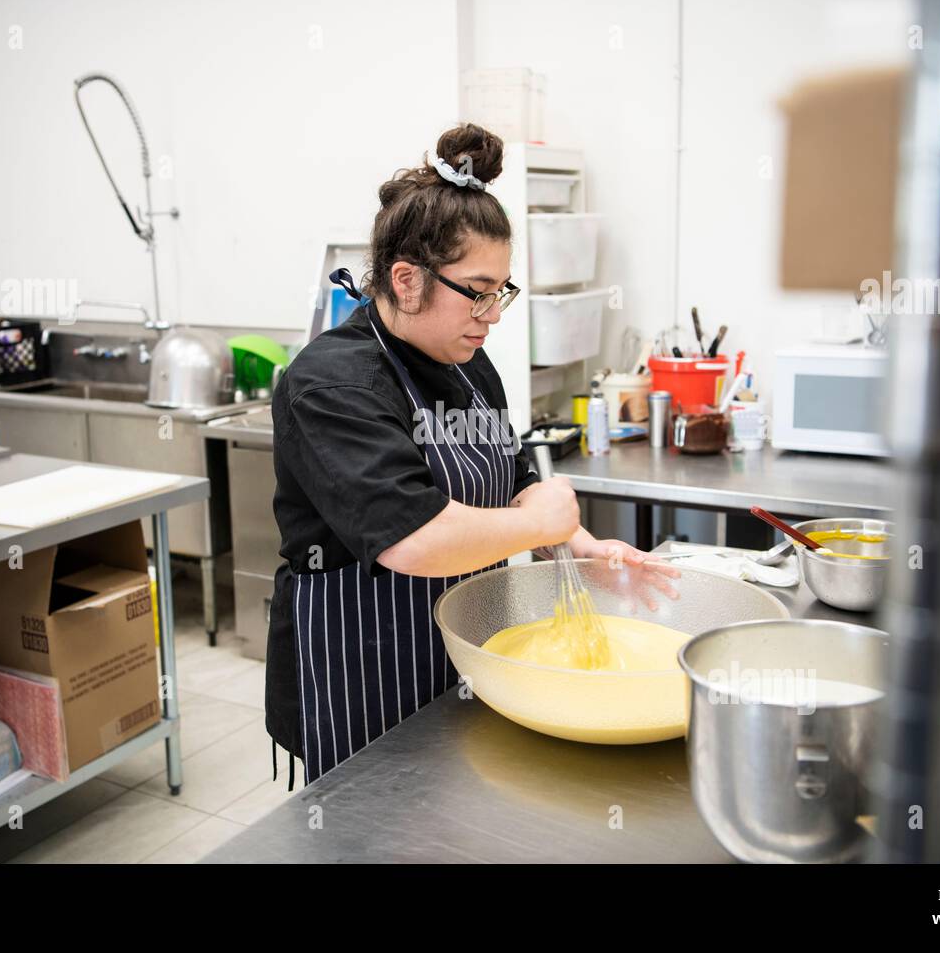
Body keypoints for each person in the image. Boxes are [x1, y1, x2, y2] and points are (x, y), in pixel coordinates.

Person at [265, 123, 674, 786]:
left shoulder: (467, 364)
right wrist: (542, 524)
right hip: (360, 667)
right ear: (406, 280)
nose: (494, 312)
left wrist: (585, 545)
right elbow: (413, 539)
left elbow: (514, 486)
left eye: (502, 290)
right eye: (479, 290)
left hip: (465, 648)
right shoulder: (332, 385)